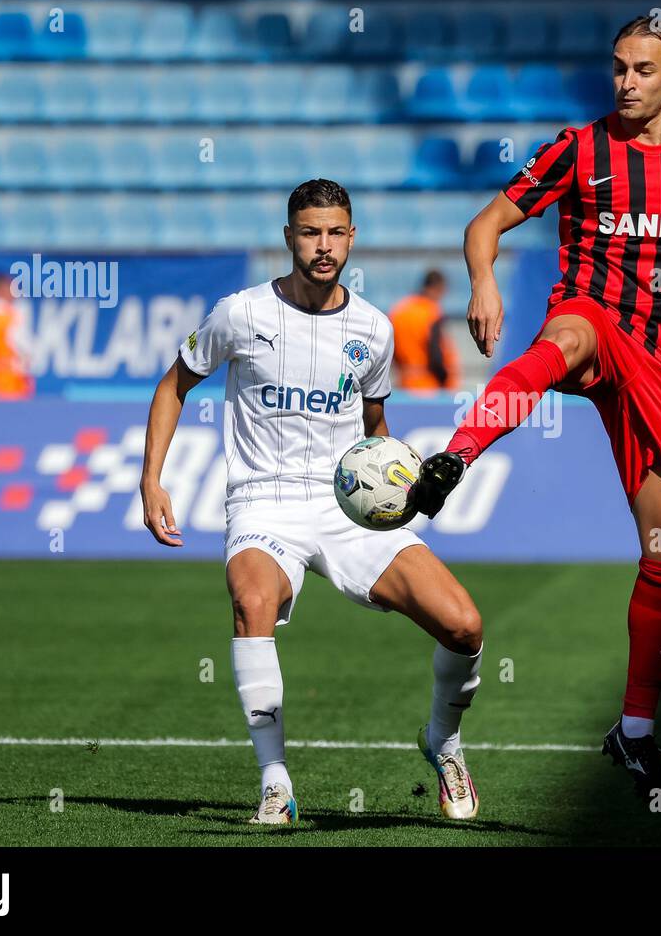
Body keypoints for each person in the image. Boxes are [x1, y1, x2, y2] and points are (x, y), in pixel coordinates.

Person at [407, 17, 661, 809]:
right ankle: (456, 455)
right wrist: (484, 281)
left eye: (642, 69)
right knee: (563, 336)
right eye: (618, 68)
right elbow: (484, 224)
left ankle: (634, 731)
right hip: (594, 318)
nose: (625, 81)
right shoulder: (578, 148)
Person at [139, 179, 484, 824]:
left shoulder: (374, 330)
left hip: (347, 504)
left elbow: (374, 432)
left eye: (334, 233)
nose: (322, 247)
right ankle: (275, 781)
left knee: (464, 625)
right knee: (252, 602)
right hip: (263, 501)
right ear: (289, 237)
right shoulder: (240, 314)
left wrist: (408, 487)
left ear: (352, 237)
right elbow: (172, 387)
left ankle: (444, 740)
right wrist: (152, 479)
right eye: (309, 233)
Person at [390, 269, 461, 392]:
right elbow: (436, 355)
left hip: (405, 384)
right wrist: (445, 379)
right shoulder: (431, 312)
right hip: (430, 386)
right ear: (438, 288)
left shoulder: (399, 311)